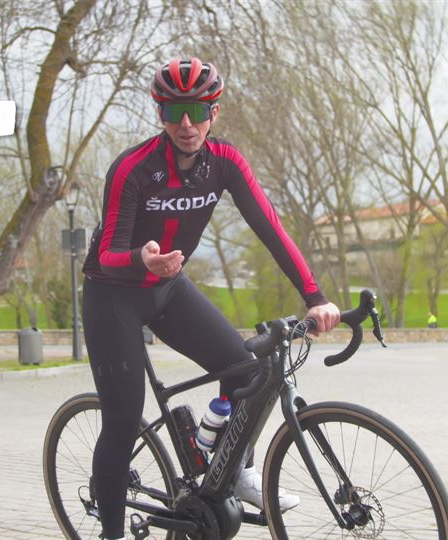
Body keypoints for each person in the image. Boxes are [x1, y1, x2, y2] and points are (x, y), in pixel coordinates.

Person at [81, 56, 340, 540]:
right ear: (159, 113)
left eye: (197, 112)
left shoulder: (225, 162)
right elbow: (109, 253)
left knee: (245, 370)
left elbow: (271, 228)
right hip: (112, 294)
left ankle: (229, 466)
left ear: (213, 113)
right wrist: (143, 257)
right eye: (175, 111)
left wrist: (316, 296)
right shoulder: (132, 169)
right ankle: (111, 534)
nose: (186, 124)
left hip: (167, 288)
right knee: (121, 419)